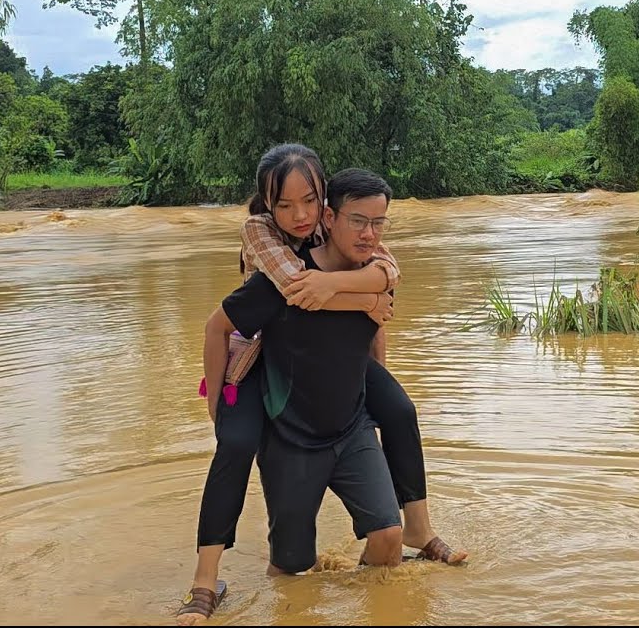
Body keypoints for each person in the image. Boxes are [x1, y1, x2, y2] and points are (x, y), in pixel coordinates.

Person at [176, 147, 464, 625]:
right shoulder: (272, 261)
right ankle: (206, 579)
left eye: (308, 202)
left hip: (346, 419)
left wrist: (368, 300)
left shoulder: (369, 258)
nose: (299, 215)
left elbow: (380, 308)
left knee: (398, 412)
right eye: (285, 206)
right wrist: (217, 401)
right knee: (243, 460)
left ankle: (410, 540)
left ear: (323, 204)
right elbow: (237, 316)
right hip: (277, 401)